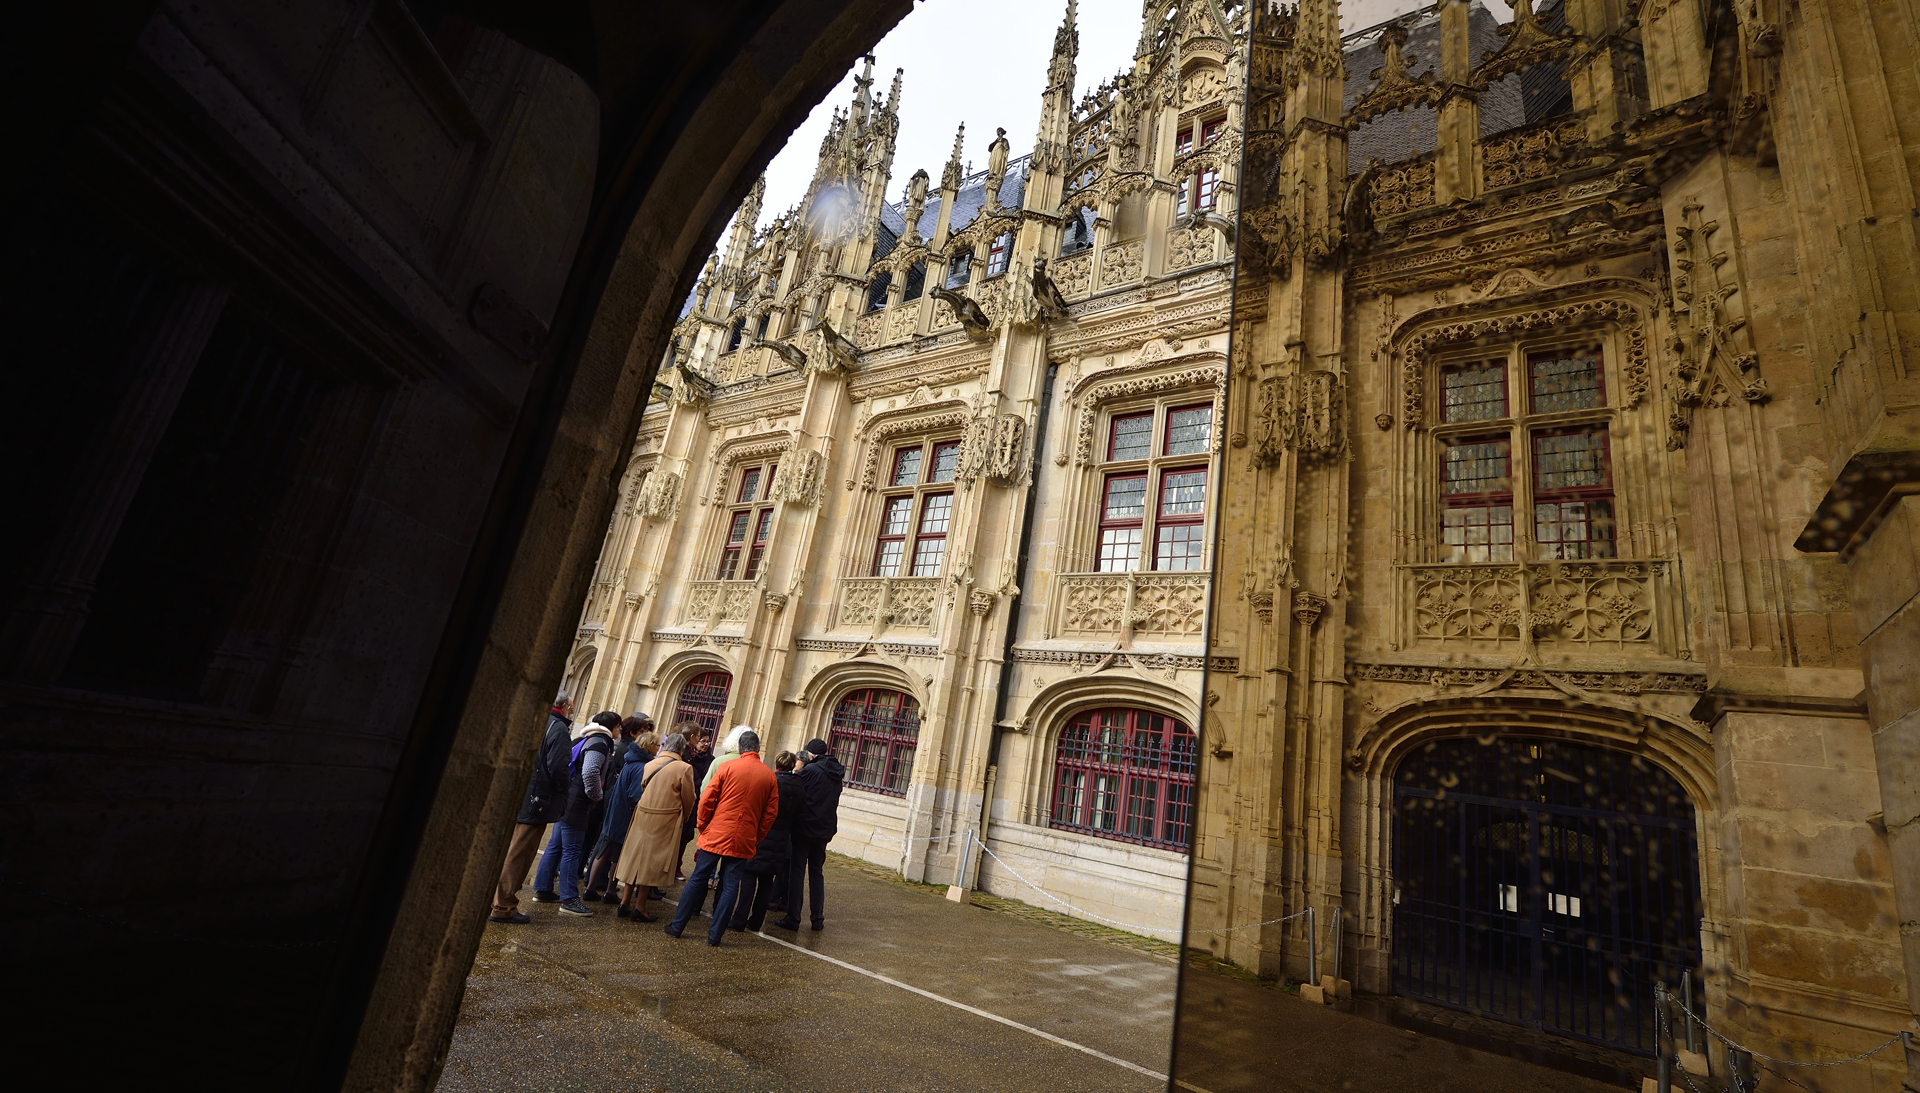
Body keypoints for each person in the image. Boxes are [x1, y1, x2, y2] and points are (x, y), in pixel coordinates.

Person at [665, 727, 778, 946]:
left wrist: (703, 824)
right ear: (757, 749)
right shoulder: (768, 775)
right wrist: (757, 836)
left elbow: (707, 797)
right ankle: (715, 935)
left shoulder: (727, 767)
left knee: (698, 877)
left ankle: (678, 926)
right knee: (730, 884)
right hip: (744, 835)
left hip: (717, 831)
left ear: (740, 748)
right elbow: (770, 814)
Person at [490, 693, 575, 924]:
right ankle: (503, 906)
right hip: (537, 800)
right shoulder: (558, 728)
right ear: (563, 706)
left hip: (521, 794)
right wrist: (564, 788)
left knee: (509, 849)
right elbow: (559, 768)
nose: (572, 712)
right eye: (571, 708)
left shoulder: (534, 718)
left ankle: (495, 900)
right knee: (519, 854)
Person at [533, 710, 618, 916]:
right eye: (618, 726)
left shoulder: (587, 738)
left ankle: (543, 888)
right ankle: (569, 898)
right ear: (612, 727)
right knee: (571, 850)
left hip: (568, 798)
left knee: (555, 846)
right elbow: (589, 771)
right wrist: (596, 796)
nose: (620, 730)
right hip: (577, 804)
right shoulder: (599, 743)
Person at [615, 732, 698, 922]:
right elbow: (689, 798)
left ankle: (625, 902)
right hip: (665, 819)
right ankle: (640, 907)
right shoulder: (684, 768)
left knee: (635, 858)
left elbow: (644, 787)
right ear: (681, 749)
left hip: (642, 814)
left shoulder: (651, 763)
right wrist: (683, 817)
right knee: (650, 863)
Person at [773, 737, 843, 932]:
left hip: (805, 828)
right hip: (824, 829)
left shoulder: (811, 771)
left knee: (797, 872)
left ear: (810, 755)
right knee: (816, 873)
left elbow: (795, 788)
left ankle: (793, 917)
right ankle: (817, 918)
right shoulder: (836, 773)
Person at [730, 750, 801, 933]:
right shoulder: (799, 786)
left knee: (749, 877)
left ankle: (739, 919)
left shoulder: (771, 781)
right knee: (767, 881)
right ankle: (756, 921)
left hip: (762, 834)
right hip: (782, 838)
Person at [584, 721, 656, 902]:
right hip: (624, 816)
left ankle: (591, 887)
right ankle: (609, 890)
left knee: (604, 851)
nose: (658, 748)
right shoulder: (641, 766)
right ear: (649, 747)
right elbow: (635, 795)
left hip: (615, 810)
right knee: (616, 855)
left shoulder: (630, 761)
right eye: (656, 745)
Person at [676, 725, 715, 880]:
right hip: (685, 798)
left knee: (686, 835)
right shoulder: (687, 756)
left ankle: (677, 865)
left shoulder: (711, 760)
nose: (705, 744)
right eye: (702, 740)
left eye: (707, 741)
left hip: (698, 800)